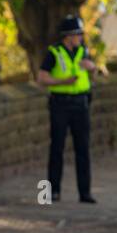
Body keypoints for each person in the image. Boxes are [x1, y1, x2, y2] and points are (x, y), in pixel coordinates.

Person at [36, 15, 107, 203]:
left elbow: (91, 80)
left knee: (83, 149)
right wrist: (62, 82)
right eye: (78, 34)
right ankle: (53, 192)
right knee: (57, 148)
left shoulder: (83, 52)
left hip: (81, 104)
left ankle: (85, 193)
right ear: (68, 36)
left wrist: (92, 69)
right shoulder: (54, 53)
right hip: (60, 103)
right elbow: (42, 78)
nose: (81, 38)